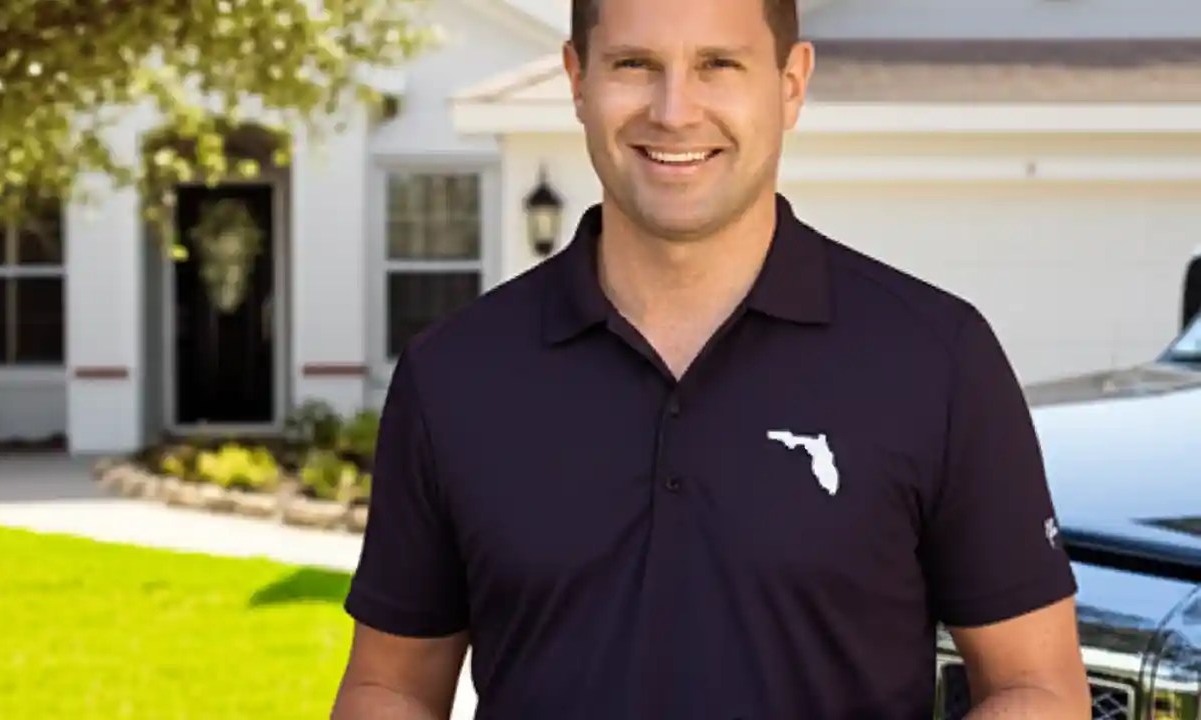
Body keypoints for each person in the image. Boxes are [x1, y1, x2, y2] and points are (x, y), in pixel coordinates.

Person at [330, 0, 1091, 717]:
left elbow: (1037, 686)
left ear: (790, 84)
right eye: (635, 64)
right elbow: (390, 687)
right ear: (578, 80)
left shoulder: (936, 360)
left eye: (718, 65)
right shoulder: (455, 376)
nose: (674, 111)